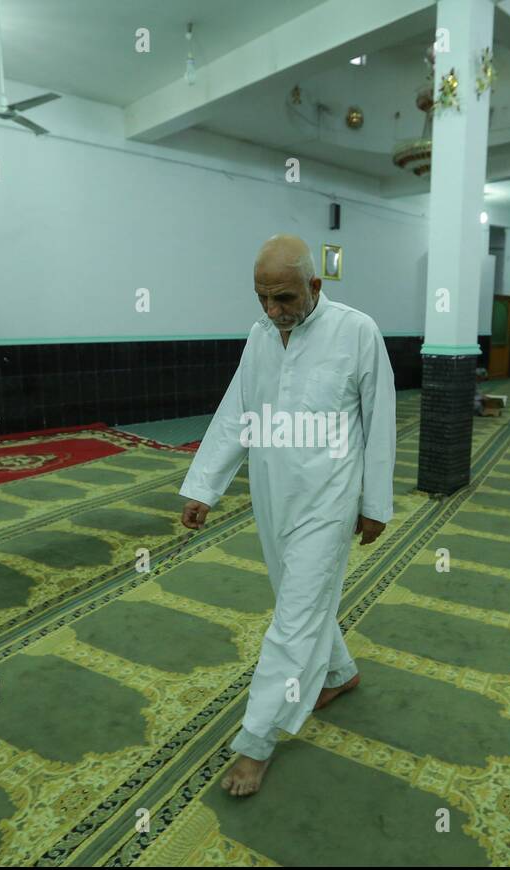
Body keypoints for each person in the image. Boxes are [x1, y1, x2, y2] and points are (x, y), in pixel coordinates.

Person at [179, 234, 396, 797]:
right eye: (262, 298)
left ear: (314, 285)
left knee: (293, 619)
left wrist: (374, 504)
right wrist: (204, 487)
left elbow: (380, 422)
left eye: (284, 298)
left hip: (329, 500)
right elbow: (237, 412)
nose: (273, 311)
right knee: (298, 599)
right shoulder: (260, 336)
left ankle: (256, 742)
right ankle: (340, 673)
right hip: (273, 494)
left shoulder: (357, 332)